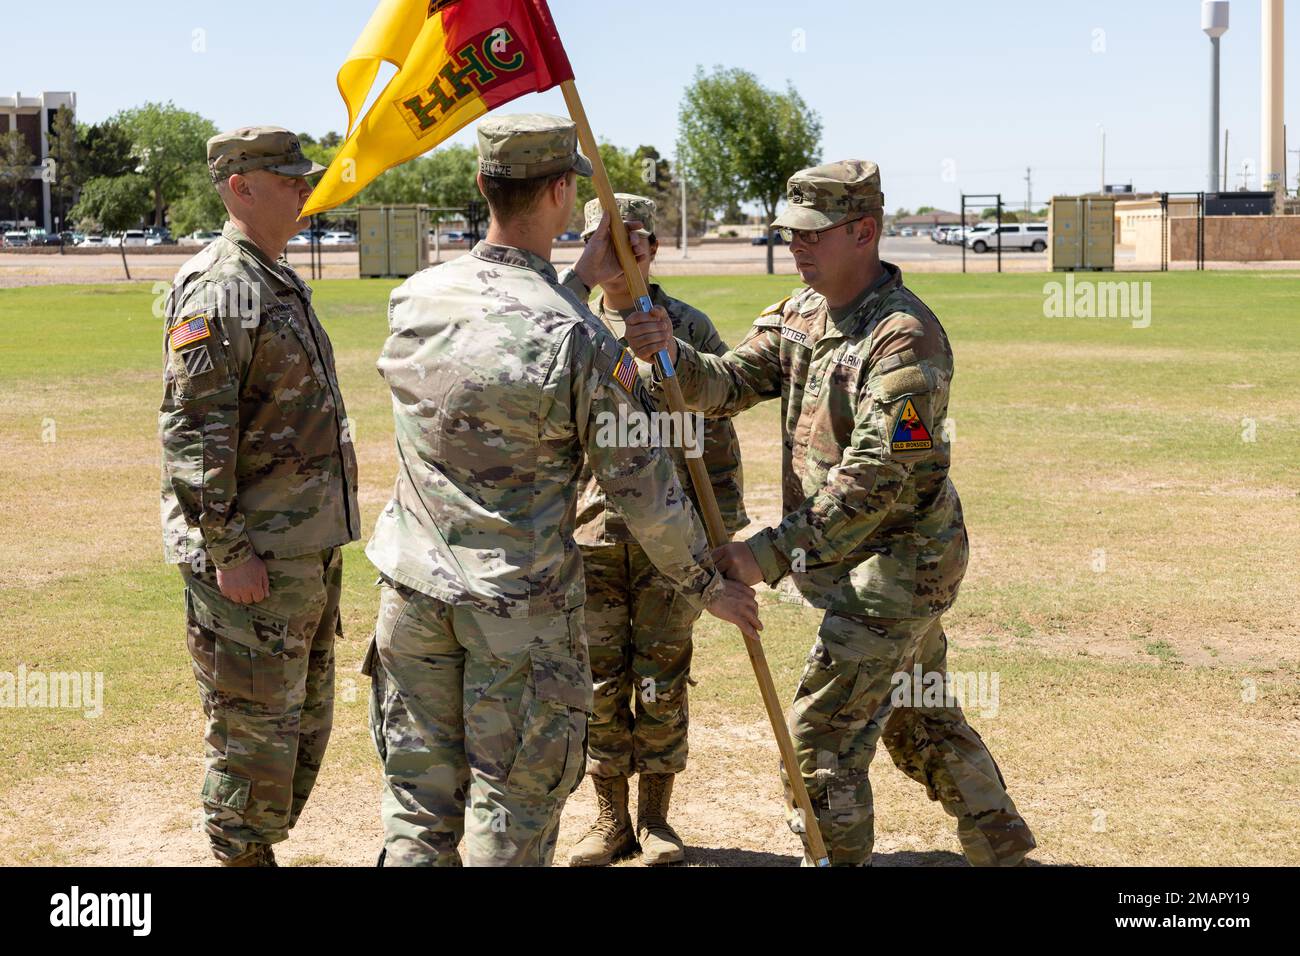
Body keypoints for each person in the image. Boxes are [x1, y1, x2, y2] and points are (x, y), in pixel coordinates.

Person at [363, 114, 760, 867]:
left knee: (418, 815)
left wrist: (578, 279)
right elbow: (643, 490)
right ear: (557, 192)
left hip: (412, 599)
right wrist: (707, 582)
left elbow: (514, 317)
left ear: (482, 185)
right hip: (516, 612)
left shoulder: (417, 298)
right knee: (510, 815)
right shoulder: (579, 338)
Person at [625, 160, 1036, 867]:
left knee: (818, 745)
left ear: (865, 232)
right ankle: (1002, 848)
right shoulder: (800, 314)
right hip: (860, 568)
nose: (799, 247)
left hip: (897, 571)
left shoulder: (904, 340)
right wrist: (669, 353)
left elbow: (878, 476)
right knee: (922, 720)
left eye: (816, 234)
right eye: (792, 234)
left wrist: (768, 553)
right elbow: (726, 383)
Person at [159, 126, 359, 867]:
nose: (306, 191)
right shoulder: (222, 285)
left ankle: (253, 852)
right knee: (252, 745)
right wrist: (229, 550)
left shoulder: (271, 276)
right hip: (254, 568)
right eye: (290, 180)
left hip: (299, 556)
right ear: (241, 187)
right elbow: (195, 432)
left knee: (296, 740)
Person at [567, 193, 747, 866]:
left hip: (678, 543)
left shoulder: (687, 326)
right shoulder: (573, 328)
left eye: (635, 237)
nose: (624, 250)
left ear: (653, 246)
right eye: (608, 238)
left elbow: (721, 434)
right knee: (600, 682)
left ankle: (657, 822)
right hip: (593, 536)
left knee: (662, 677)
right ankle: (607, 819)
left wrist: (724, 530)